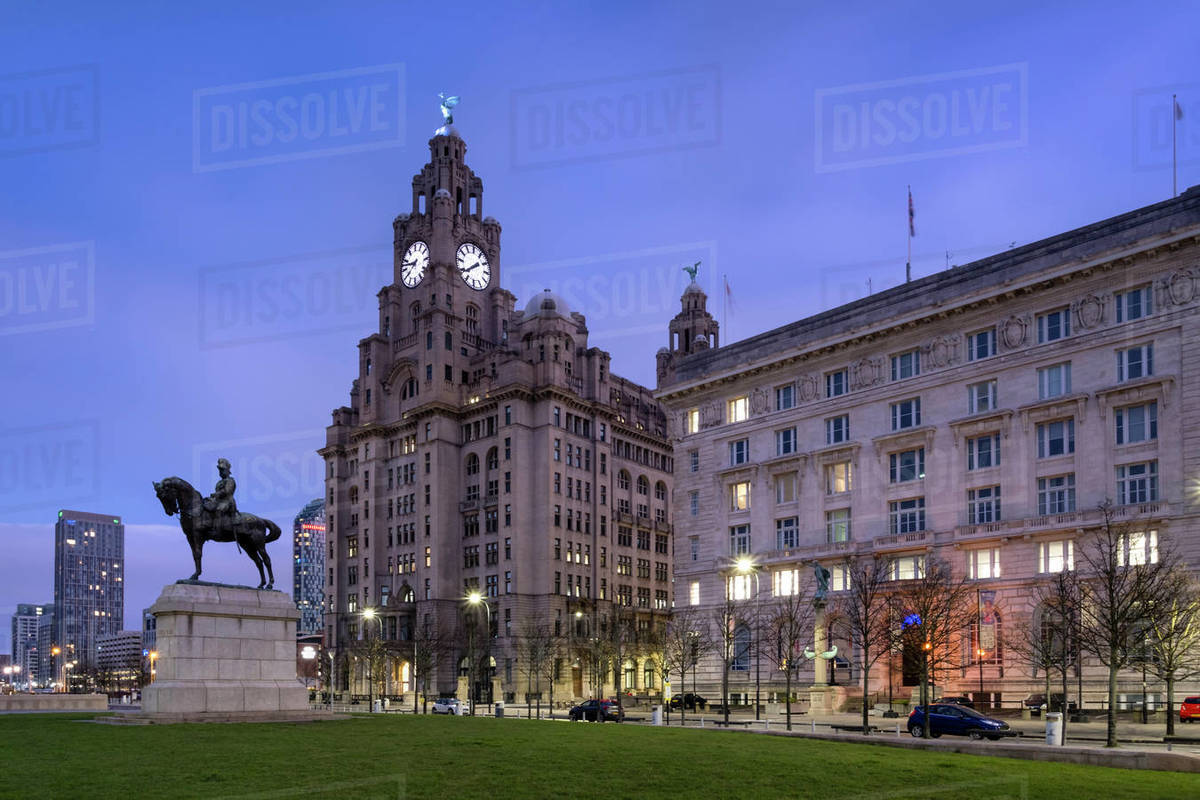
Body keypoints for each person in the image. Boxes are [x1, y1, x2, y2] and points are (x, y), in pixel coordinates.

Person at [203, 458, 239, 536]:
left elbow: (227, 491)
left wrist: (216, 494)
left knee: (219, 510)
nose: (221, 472)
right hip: (218, 500)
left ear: (227, 471)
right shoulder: (219, 482)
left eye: (222, 470)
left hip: (227, 501)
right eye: (220, 470)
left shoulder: (230, 481)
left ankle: (217, 530)